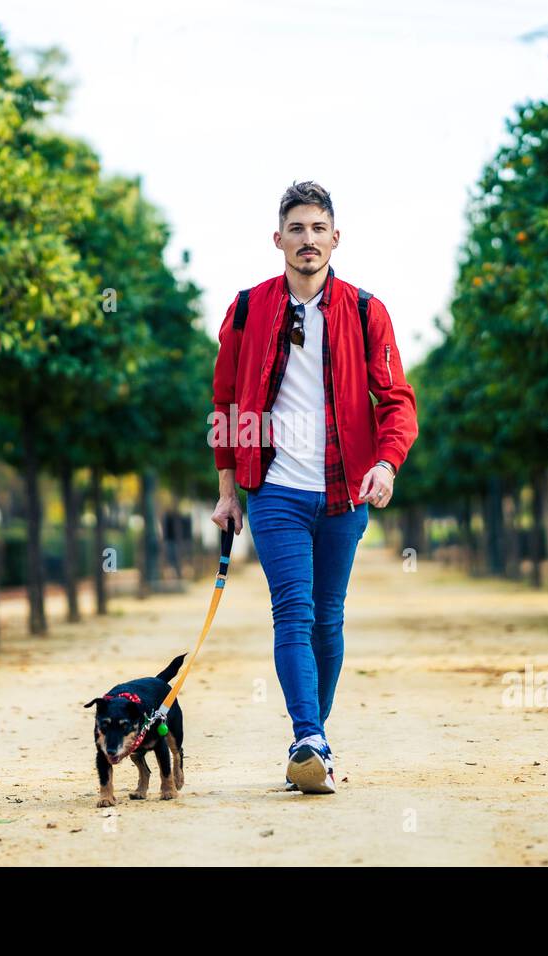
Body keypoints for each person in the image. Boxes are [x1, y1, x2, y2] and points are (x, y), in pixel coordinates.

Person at [210, 181, 419, 794]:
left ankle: (313, 742)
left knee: (328, 617)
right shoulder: (248, 309)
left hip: (346, 493)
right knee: (292, 612)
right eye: (296, 229)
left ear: (335, 237)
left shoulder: (364, 311)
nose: (308, 240)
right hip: (273, 490)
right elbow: (225, 401)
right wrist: (228, 489)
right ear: (278, 239)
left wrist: (386, 463)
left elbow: (398, 401)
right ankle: (309, 735)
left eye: (317, 229)